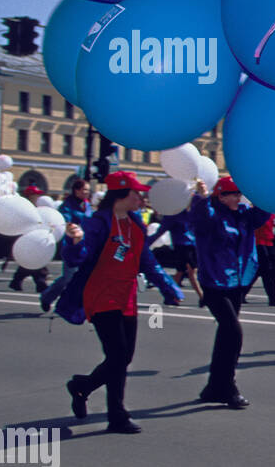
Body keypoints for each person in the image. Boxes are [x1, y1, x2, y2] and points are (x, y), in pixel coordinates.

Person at [57, 171, 183, 433]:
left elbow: (146, 260)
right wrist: (74, 241)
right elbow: (76, 257)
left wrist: (169, 288)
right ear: (121, 195)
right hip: (101, 296)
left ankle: (82, 386)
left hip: (126, 297)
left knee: (123, 357)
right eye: (137, 193)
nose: (141, 197)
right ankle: (117, 415)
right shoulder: (98, 222)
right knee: (116, 355)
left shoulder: (135, 223)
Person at [189, 175, 273, 409]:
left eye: (239, 193)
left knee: (225, 335)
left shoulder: (244, 215)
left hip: (237, 281)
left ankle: (213, 386)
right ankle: (228, 386)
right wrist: (202, 197)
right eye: (232, 193)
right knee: (233, 332)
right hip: (214, 282)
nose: (238, 197)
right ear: (221, 196)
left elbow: (264, 214)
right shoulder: (212, 216)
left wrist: (265, 193)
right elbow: (199, 219)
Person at [41, 177, 93, 312]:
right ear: (76, 191)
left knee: (86, 276)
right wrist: (74, 229)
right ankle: (47, 297)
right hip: (72, 245)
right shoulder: (67, 206)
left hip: (86, 245)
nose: (87, 192)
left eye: (88, 190)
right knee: (68, 277)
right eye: (85, 190)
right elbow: (65, 221)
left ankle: (78, 306)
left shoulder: (87, 205)